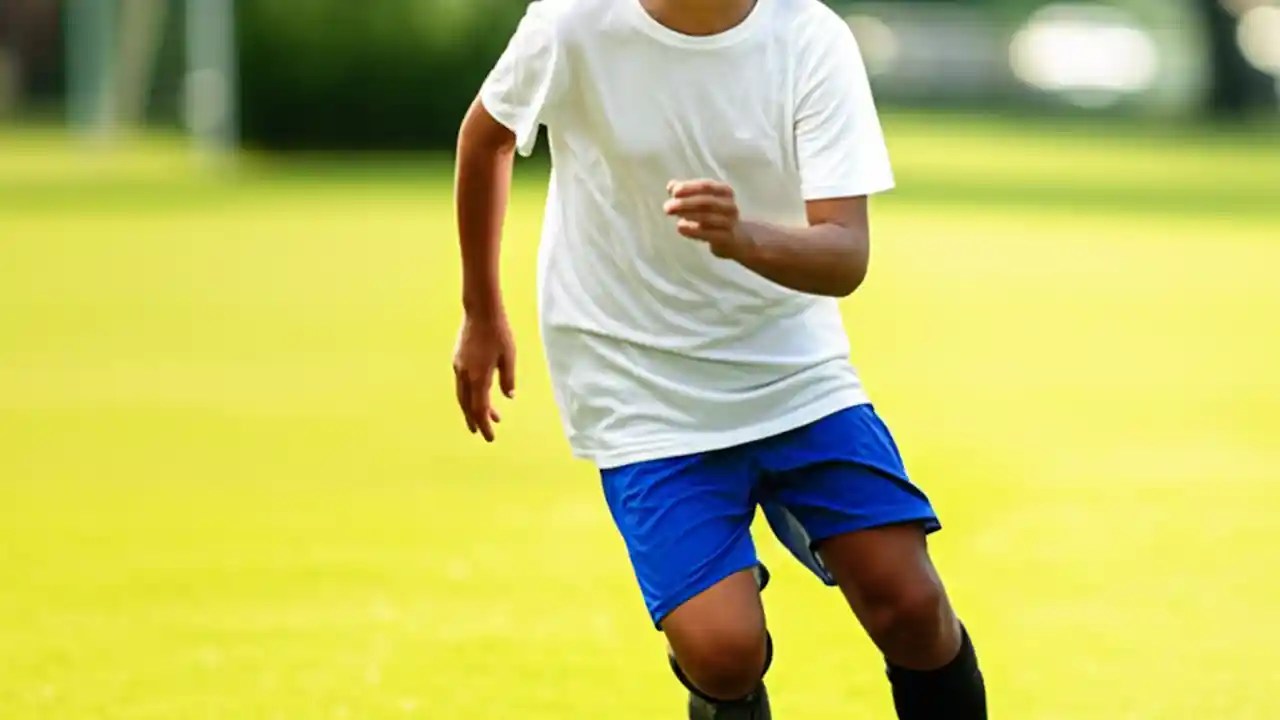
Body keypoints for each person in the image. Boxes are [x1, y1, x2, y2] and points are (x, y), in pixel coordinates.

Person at [451, 0, 987, 717]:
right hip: (639, 384)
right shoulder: (572, 23)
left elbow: (845, 253)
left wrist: (744, 238)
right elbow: (484, 138)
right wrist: (482, 311)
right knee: (723, 649)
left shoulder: (810, 38)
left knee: (911, 607)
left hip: (792, 373)